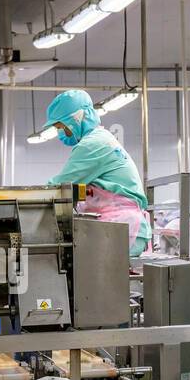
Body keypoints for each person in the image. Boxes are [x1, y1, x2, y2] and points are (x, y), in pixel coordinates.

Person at [43, 89, 150, 258]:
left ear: (76, 119)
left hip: (120, 228)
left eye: (61, 127)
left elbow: (59, 186)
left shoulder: (93, 144)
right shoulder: (100, 138)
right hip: (120, 228)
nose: (61, 133)